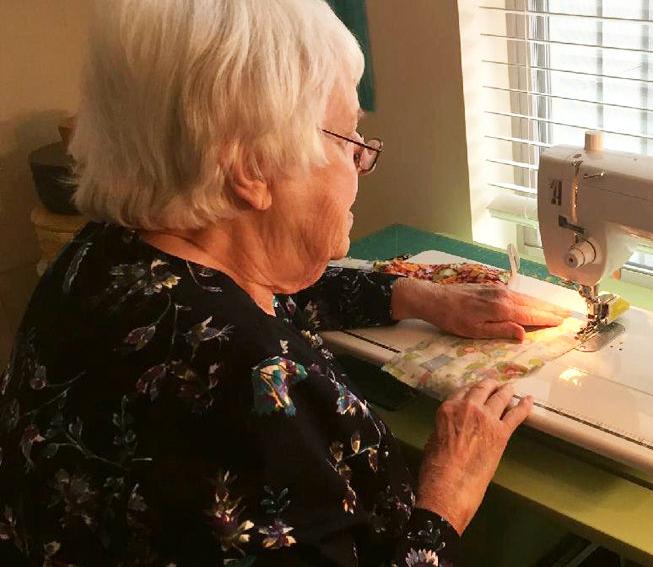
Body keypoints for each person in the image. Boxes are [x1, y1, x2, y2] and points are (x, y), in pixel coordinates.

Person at [0, 1, 569, 564]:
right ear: (249, 167)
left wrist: (412, 295)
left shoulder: (103, 255)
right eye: (348, 139)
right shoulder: (256, 389)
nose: (361, 161)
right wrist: (448, 496)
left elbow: (237, 290)